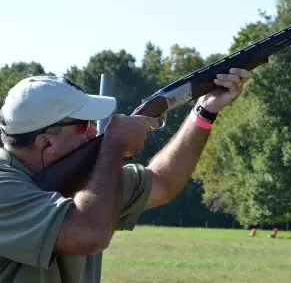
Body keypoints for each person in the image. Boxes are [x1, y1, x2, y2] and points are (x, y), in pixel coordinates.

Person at [0, 68, 251, 282]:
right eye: (83, 124)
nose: (93, 134)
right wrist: (113, 147)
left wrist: (204, 112)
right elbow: (89, 235)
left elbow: (163, 183)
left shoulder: (83, 179)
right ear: (46, 144)